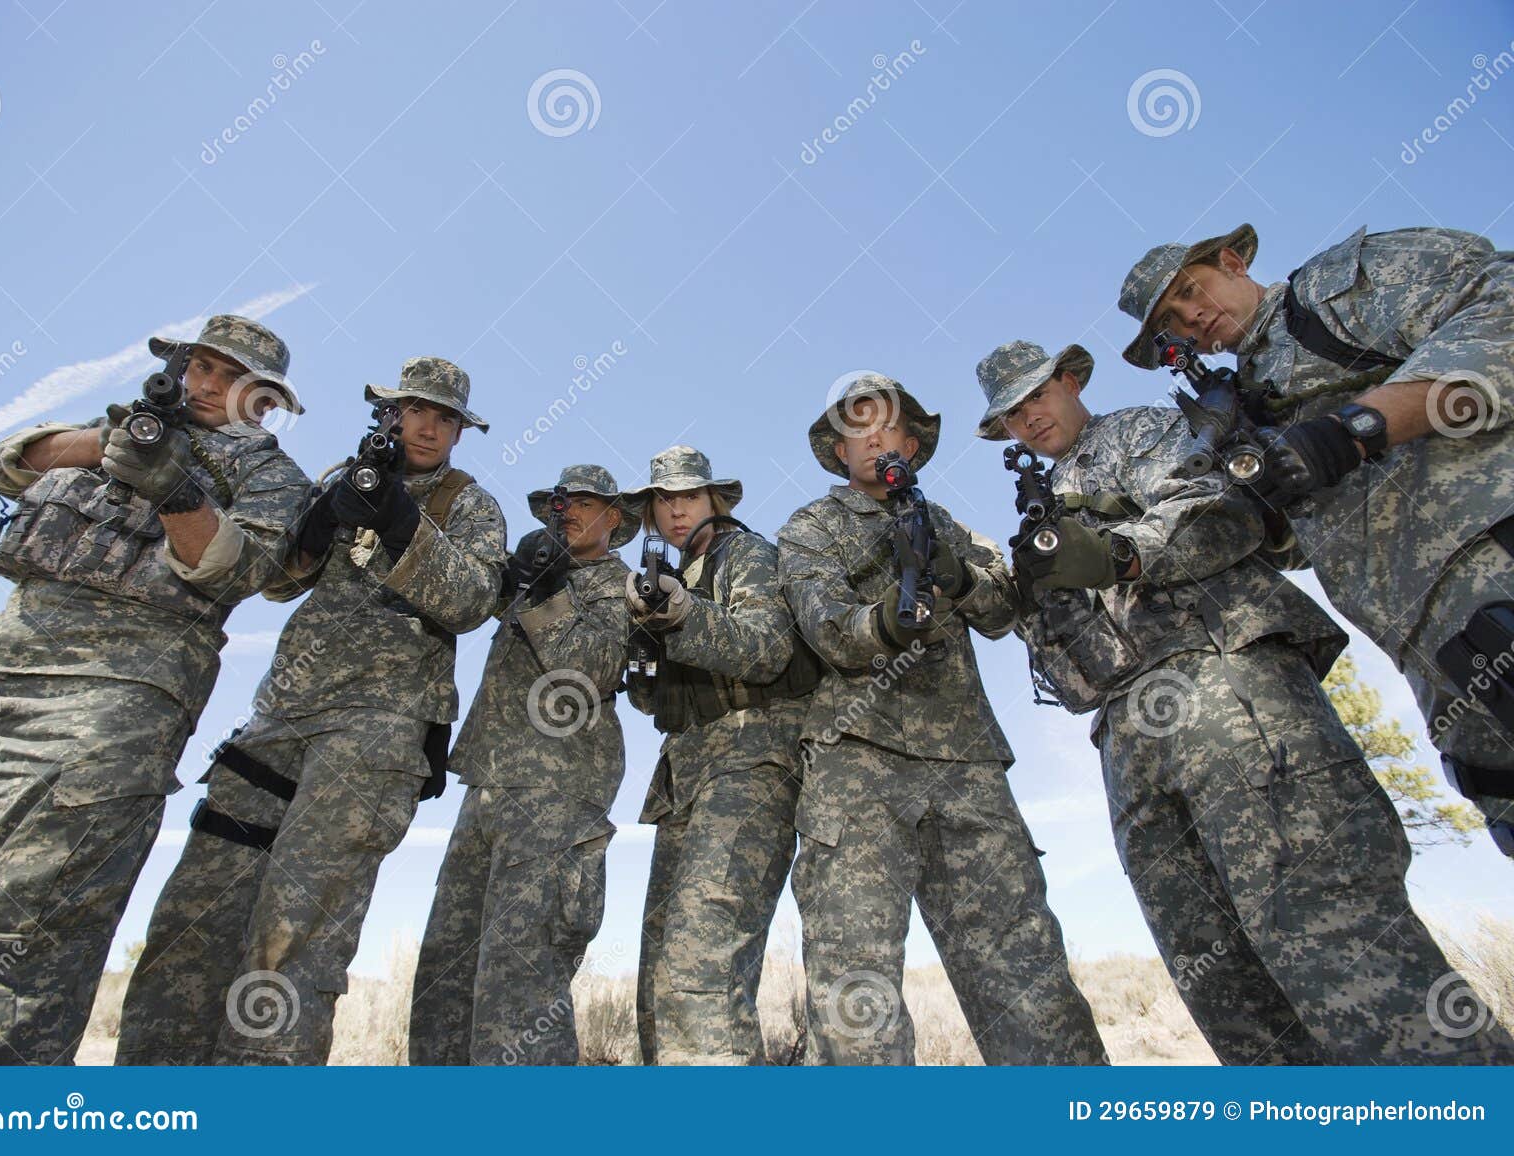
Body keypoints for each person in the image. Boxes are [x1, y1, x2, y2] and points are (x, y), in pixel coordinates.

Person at [980, 337, 1513, 1063]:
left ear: (1070, 381)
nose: (1028, 419)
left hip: (1223, 681)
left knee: (1331, 937)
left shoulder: (1138, 431)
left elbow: (1224, 507)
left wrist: (1118, 551)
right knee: (1227, 988)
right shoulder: (1042, 502)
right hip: (1126, 735)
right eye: (1011, 415)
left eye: (1036, 396)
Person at [0, 314, 309, 1064]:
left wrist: (172, 486)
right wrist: (113, 444)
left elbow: (235, 571)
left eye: (228, 376)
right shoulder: (119, 427)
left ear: (262, 401)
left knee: (25, 930)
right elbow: (11, 462)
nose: (204, 383)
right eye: (199, 366)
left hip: (119, 695)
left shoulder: (271, 477)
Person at [115, 357, 504, 1065]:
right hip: (281, 716)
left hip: (376, 729)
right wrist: (323, 521)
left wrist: (398, 522)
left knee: (297, 928)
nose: (427, 427)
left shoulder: (470, 504)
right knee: (195, 914)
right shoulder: (336, 475)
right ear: (387, 413)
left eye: (444, 418)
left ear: (458, 432)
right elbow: (277, 584)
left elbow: (473, 601)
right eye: (415, 410)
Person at [1119, 222, 1514, 856]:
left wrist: (1355, 428)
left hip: (1493, 551)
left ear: (1232, 261)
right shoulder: (1237, 407)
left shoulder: (1332, 291)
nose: (1193, 319)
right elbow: (1302, 545)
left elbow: (1501, 306)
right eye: (1173, 322)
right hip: (1422, 639)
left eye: (1192, 292)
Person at [776, 372, 1107, 1065]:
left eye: (888, 425)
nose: (875, 440)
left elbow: (1006, 608)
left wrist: (958, 577)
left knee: (1024, 968)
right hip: (856, 762)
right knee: (855, 981)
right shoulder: (813, 527)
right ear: (838, 452)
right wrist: (891, 623)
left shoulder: (950, 524)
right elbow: (827, 626)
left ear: (912, 441)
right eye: (856, 428)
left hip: (967, 765)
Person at [408, 465, 635, 1065]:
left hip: (557, 794)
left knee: (522, 979)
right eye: (561, 503)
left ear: (614, 517)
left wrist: (546, 595)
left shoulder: (619, 585)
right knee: (446, 972)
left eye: (587, 504)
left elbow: (592, 670)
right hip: (486, 785)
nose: (570, 513)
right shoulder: (524, 576)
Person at [623, 445, 816, 1065]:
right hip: (684, 776)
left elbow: (766, 649)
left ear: (714, 501)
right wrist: (647, 642)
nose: (676, 511)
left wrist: (683, 616)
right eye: (663, 500)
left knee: (700, 966)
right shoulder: (673, 578)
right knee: (659, 972)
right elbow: (652, 701)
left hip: (749, 764)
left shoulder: (748, 555)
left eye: (689, 497)